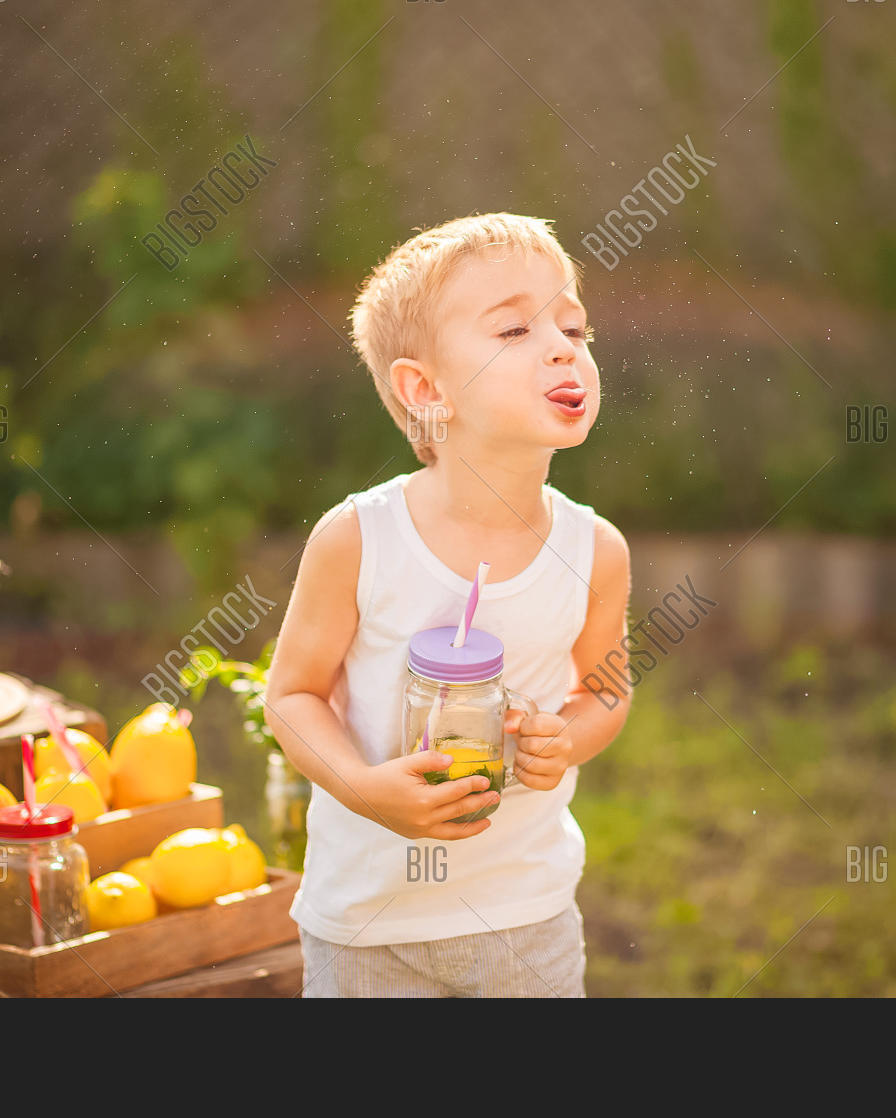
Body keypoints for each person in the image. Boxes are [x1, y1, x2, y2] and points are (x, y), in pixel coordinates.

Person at [264, 212, 632, 997]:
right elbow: (291, 697)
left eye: (573, 326)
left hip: (526, 920)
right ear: (426, 390)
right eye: (514, 331)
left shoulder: (595, 550)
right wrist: (364, 789)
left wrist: (564, 740)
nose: (563, 347)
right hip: (367, 927)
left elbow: (606, 689)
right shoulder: (358, 540)